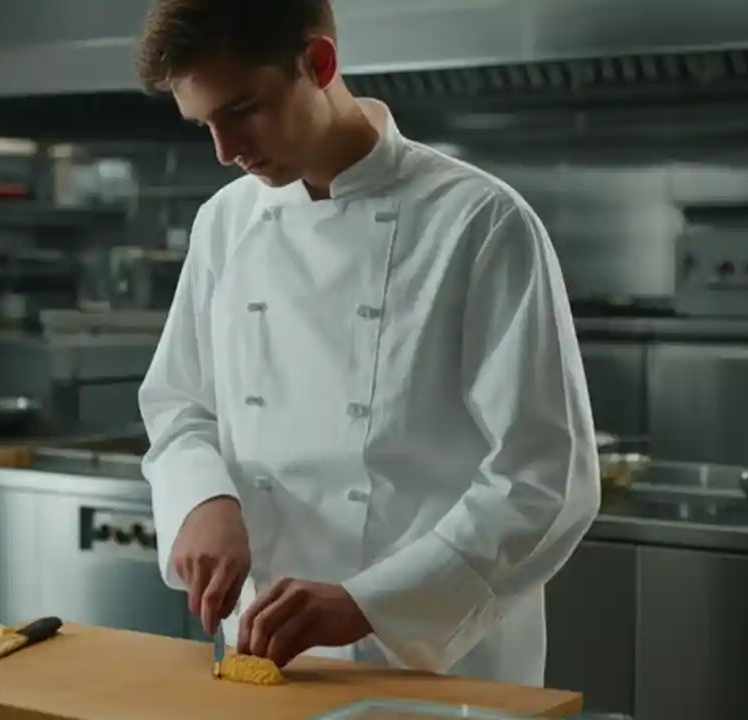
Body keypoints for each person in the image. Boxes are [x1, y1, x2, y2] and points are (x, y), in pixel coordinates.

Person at [134, 0, 599, 686]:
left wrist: (371, 602)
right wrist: (203, 500)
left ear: (318, 63)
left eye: (242, 110)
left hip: (434, 663)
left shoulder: (479, 223)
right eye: (205, 123)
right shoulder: (224, 224)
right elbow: (180, 404)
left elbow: (546, 479)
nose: (224, 151)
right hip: (267, 659)